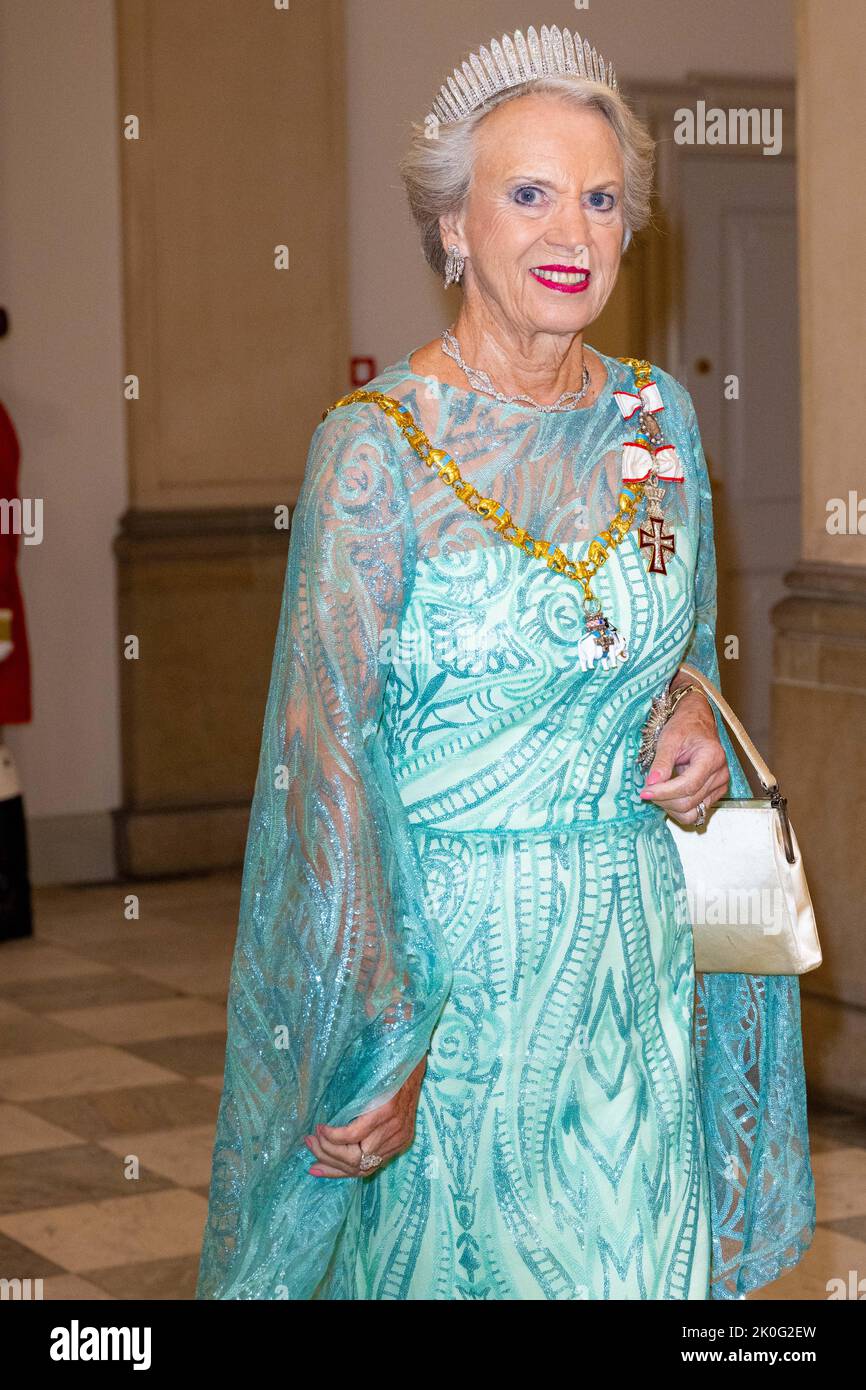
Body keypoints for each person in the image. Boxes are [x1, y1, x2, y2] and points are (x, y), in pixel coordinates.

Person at [196, 24, 814, 1300]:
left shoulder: (658, 417)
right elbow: (327, 771)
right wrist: (379, 1036)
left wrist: (691, 714)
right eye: (527, 193)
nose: (569, 231)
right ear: (452, 228)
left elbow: (678, 650)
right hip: (454, 988)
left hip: (637, 970)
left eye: (598, 200)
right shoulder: (370, 452)